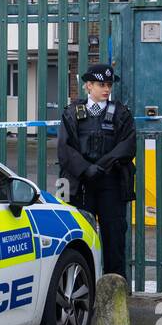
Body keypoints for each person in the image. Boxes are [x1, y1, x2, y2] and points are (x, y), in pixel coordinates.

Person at [56, 62, 136, 279]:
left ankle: (114, 291)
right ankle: (85, 286)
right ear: (88, 86)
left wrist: (100, 167)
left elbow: (127, 146)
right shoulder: (72, 112)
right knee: (81, 239)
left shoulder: (121, 113)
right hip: (81, 186)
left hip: (111, 185)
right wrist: (86, 169)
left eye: (109, 84)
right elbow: (64, 149)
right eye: (101, 84)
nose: (107, 89)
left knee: (114, 239)